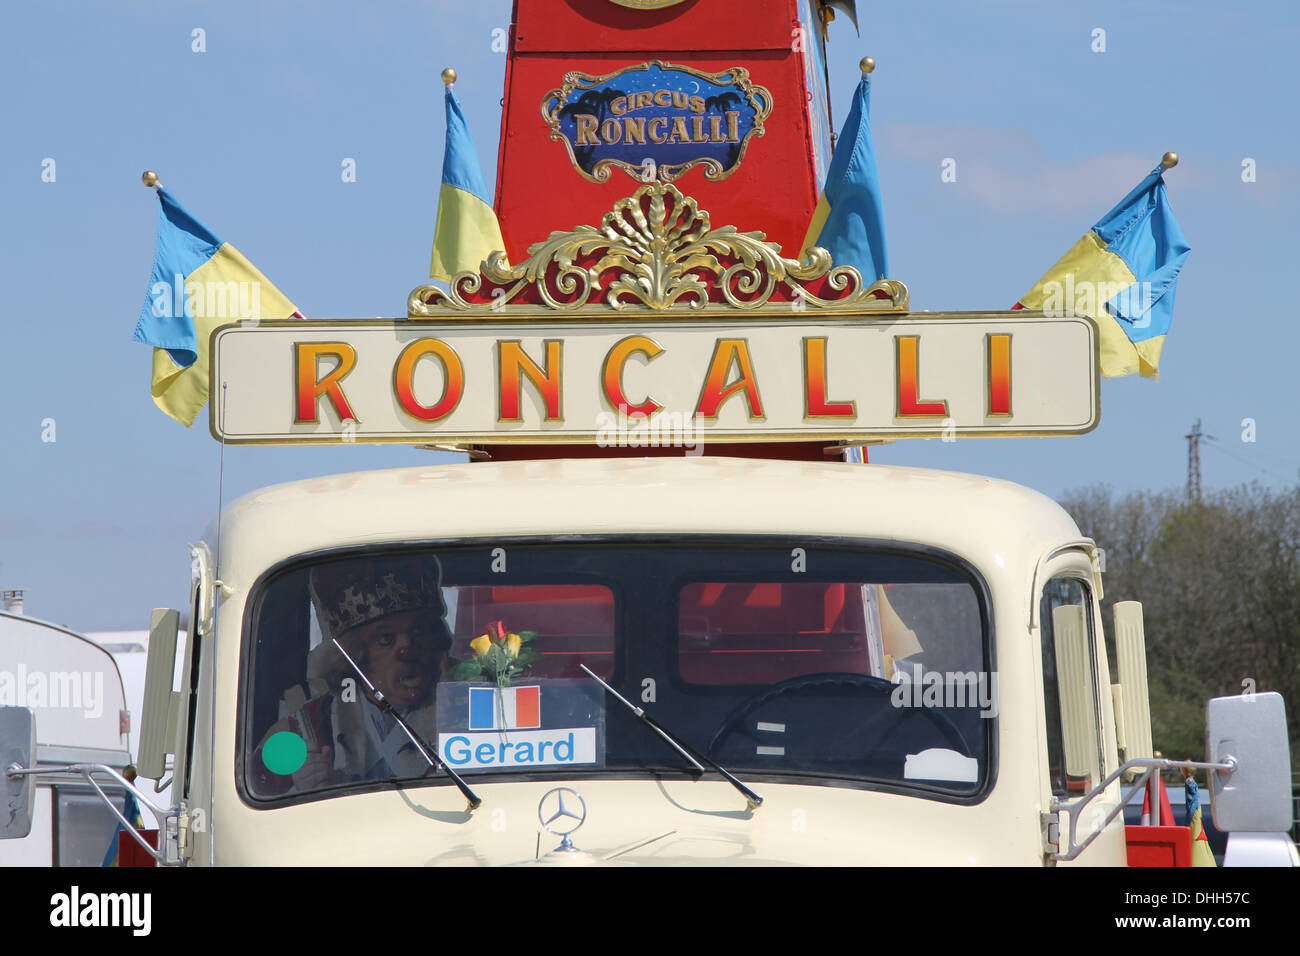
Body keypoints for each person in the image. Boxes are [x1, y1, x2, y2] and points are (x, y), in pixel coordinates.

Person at [252, 555, 452, 796]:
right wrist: (303, 786)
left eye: (419, 630)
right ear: (356, 655)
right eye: (385, 639)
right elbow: (256, 798)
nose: (408, 650)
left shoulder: (464, 706)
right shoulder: (306, 729)